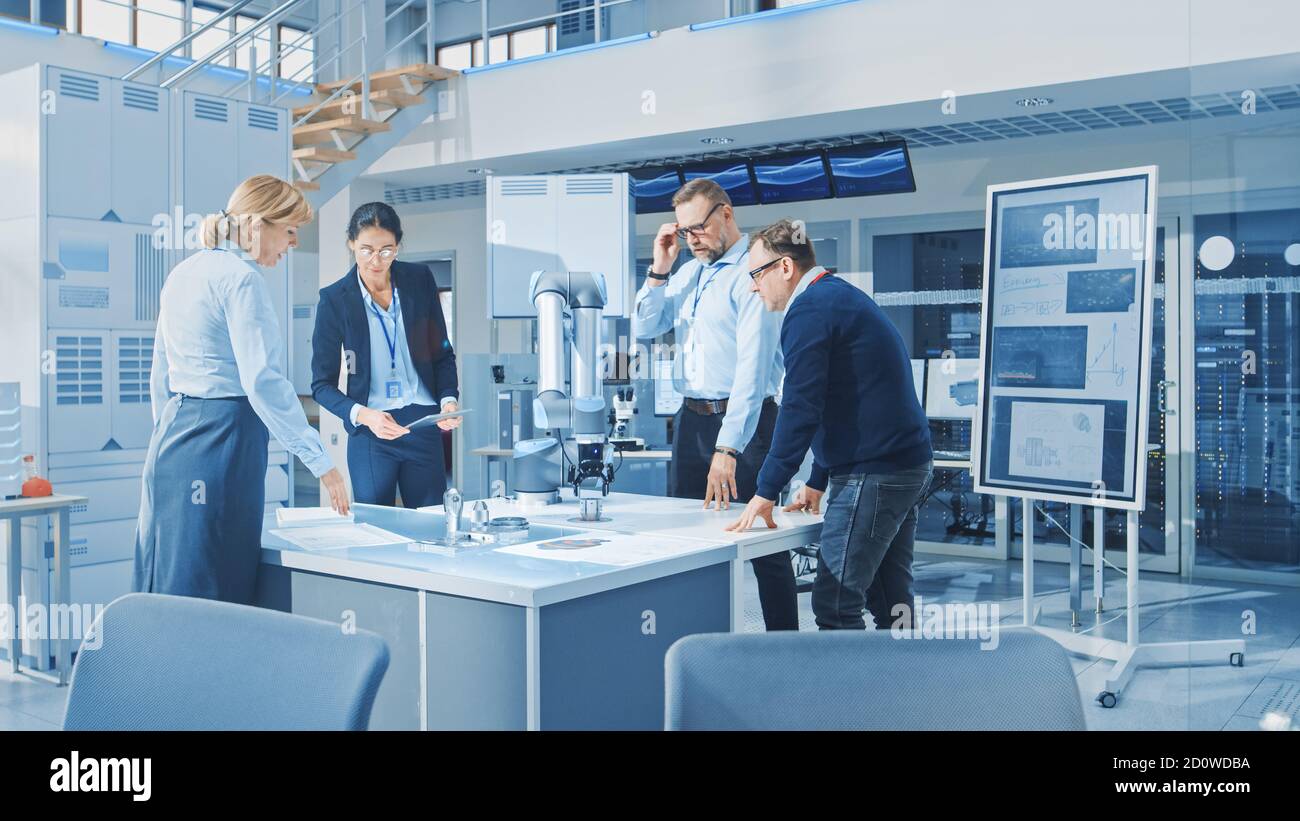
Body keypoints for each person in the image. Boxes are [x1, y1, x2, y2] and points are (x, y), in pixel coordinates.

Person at [135, 175, 350, 605]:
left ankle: (160, 672)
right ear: (258, 224)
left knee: (170, 576)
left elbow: (159, 374)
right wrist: (321, 461)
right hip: (223, 441)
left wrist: (169, 434)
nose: (291, 245)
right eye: (288, 232)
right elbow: (263, 383)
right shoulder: (241, 280)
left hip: (171, 441)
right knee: (217, 579)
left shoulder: (182, 273)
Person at [726, 219, 934, 631]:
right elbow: (838, 401)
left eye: (755, 274)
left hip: (875, 472)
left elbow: (801, 408)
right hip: (904, 466)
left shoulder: (809, 309)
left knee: (836, 604)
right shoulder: (837, 297)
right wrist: (819, 478)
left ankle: (844, 696)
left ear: (785, 267)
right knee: (891, 598)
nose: (753, 287)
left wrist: (765, 490)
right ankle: (909, 685)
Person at [632, 179, 797, 631]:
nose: (691, 239)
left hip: (747, 422)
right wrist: (660, 268)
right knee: (686, 538)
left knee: (765, 542)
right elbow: (645, 327)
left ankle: (787, 646)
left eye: (698, 228)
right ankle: (696, 640)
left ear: (726, 214)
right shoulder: (686, 275)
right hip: (692, 421)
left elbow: (753, 369)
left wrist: (728, 450)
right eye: (683, 232)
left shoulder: (754, 272)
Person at [311, 202, 461, 508]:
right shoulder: (334, 300)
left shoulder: (419, 281)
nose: (376, 260)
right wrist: (365, 416)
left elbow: (442, 353)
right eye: (366, 249)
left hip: (423, 425)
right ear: (351, 243)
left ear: (398, 245)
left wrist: (448, 399)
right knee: (375, 529)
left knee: (431, 526)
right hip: (372, 432)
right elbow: (321, 386)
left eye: (386, 249)